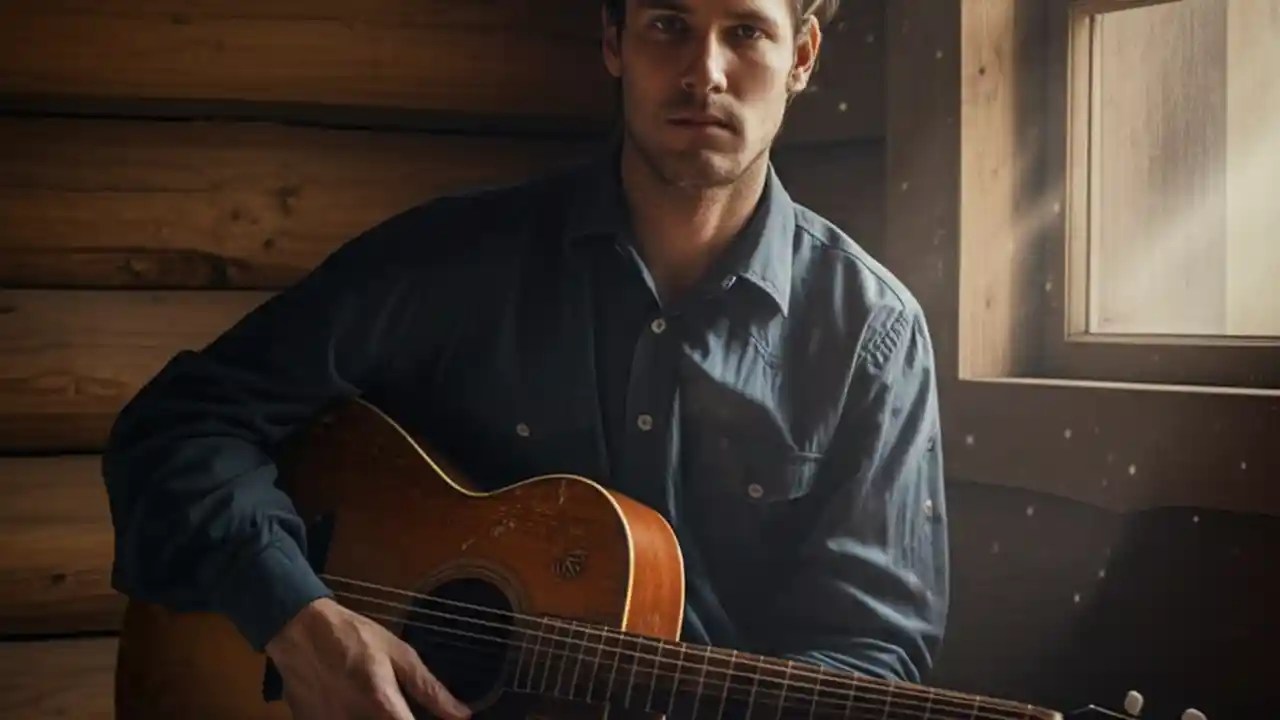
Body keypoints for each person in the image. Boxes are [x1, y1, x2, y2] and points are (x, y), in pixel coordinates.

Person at [102, 0, 949, 718]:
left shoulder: (872, 337)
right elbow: (180, 426)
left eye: (746, 33)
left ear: (801, 56)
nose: (705, 72)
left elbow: (870, 655)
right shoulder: (450, 258)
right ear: (613, 42)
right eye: (666, 24)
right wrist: (298, 616)